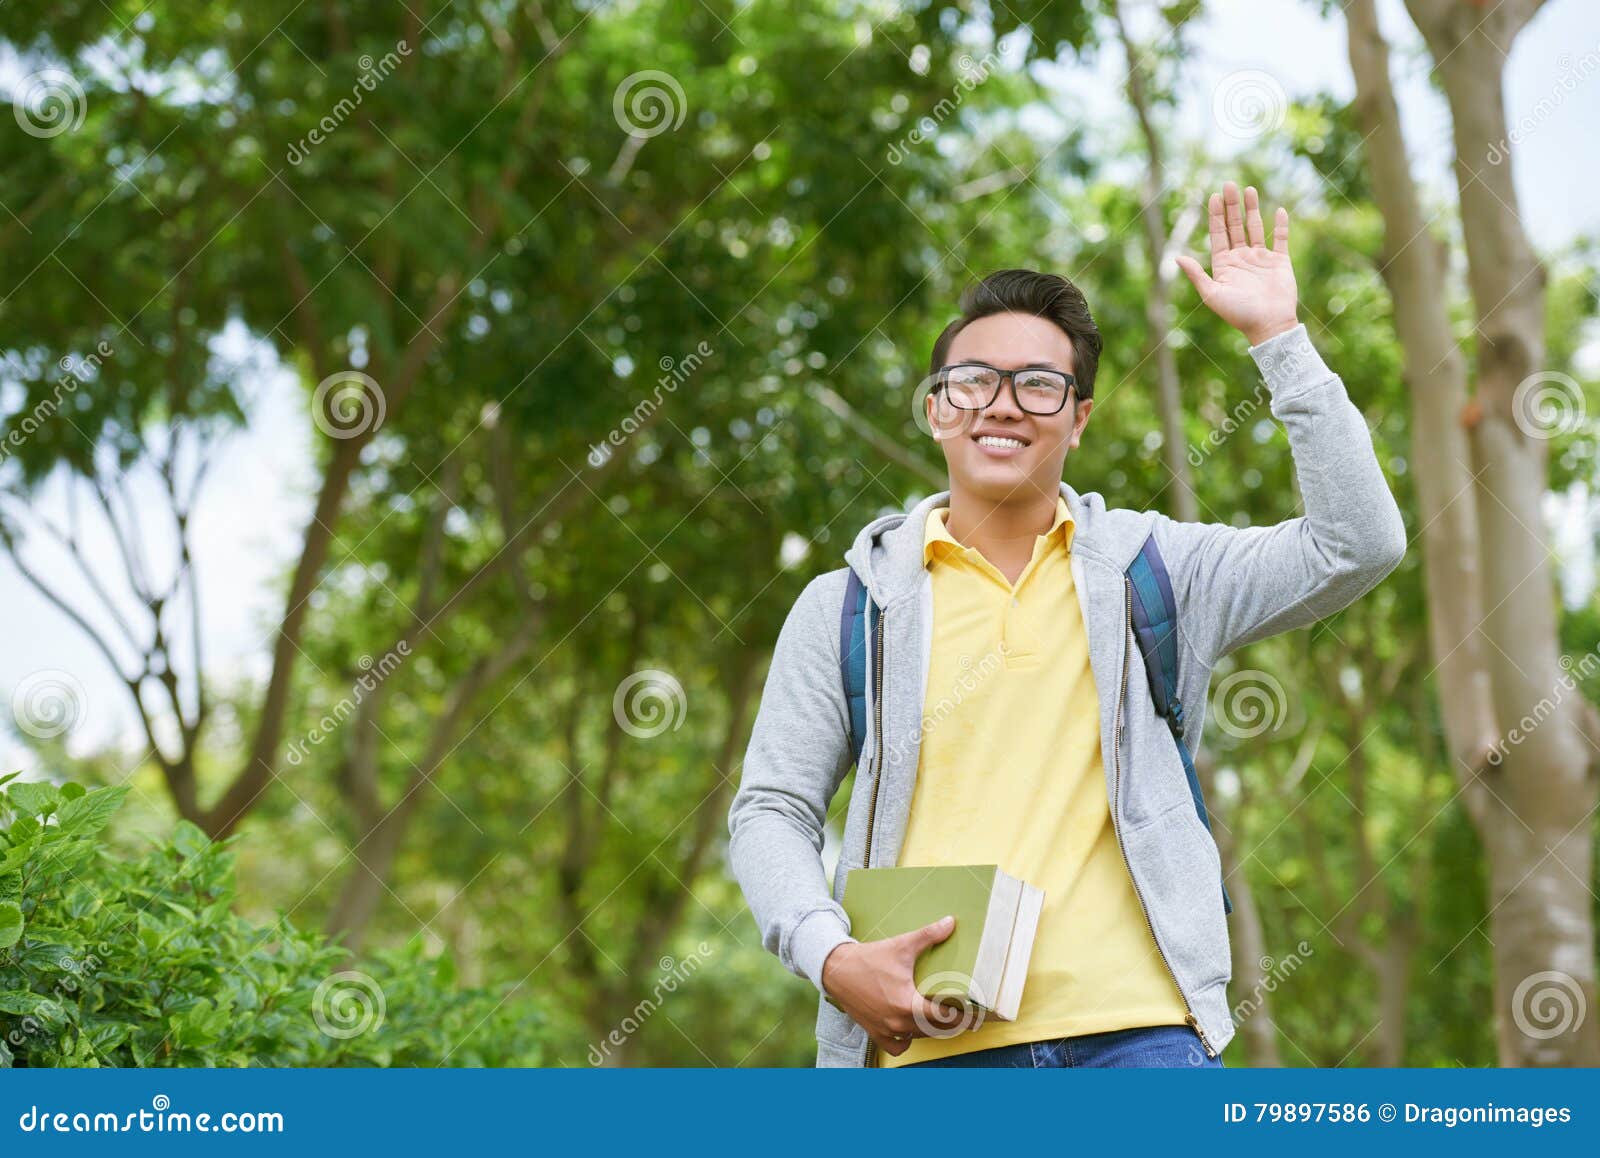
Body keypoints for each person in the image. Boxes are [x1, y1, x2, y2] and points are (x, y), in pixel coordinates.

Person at [727, 182, 1406, 1068]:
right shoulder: (848, 605)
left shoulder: (1154, 569)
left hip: (1142, 1043)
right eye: (973, 381)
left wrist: (1279, 341)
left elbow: (1357, 545)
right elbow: (773, 808)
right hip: (930, 1052)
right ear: (937, 409)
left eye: (1039, 386)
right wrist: (831, 954)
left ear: (1079, 420)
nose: (1002, 404)